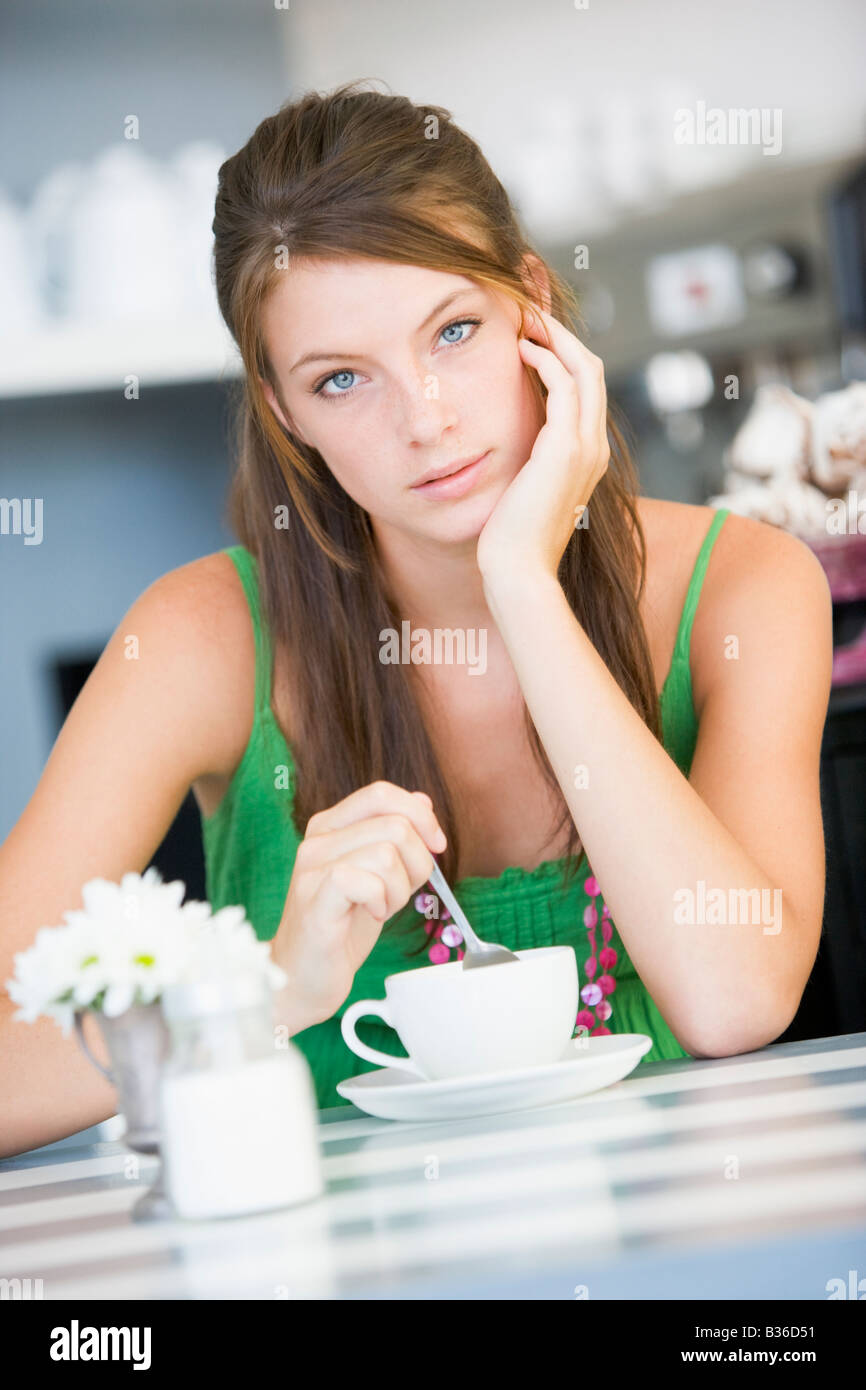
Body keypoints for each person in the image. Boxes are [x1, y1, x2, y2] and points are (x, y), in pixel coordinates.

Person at [0, 81, 833, 1150]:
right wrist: (265, 988)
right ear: (283, 411)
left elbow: (734, 999)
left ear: (533, 306)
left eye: (453, 330)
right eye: (342, 378)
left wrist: (522, 585)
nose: (425, 421)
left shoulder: (743, 586)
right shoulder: (196, 639)